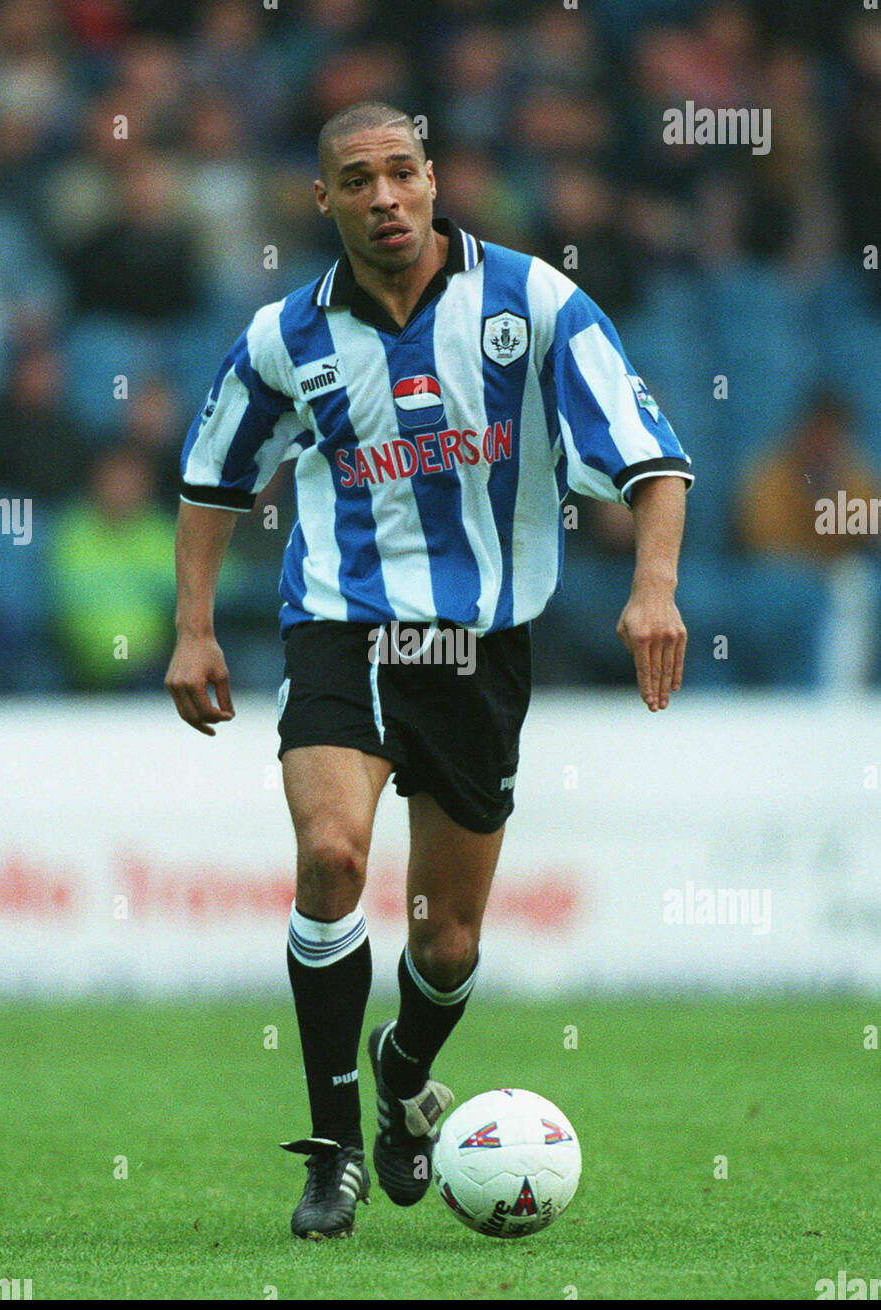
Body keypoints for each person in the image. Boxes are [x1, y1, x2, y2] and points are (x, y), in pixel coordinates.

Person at [165, 102, 693, 1240]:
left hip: (479, 645)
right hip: (342, 627)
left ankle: (402, 1074)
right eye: (356, 180)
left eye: (400, 173)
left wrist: (652, 589)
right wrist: (195, 626)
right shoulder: (283, 338)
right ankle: (332, 1155)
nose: (384, 197)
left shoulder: (532, 301)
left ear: (433, 178)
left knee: (445, 943)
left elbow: (651, 456)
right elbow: (213, 477)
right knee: (330, 857)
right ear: (324, 201)